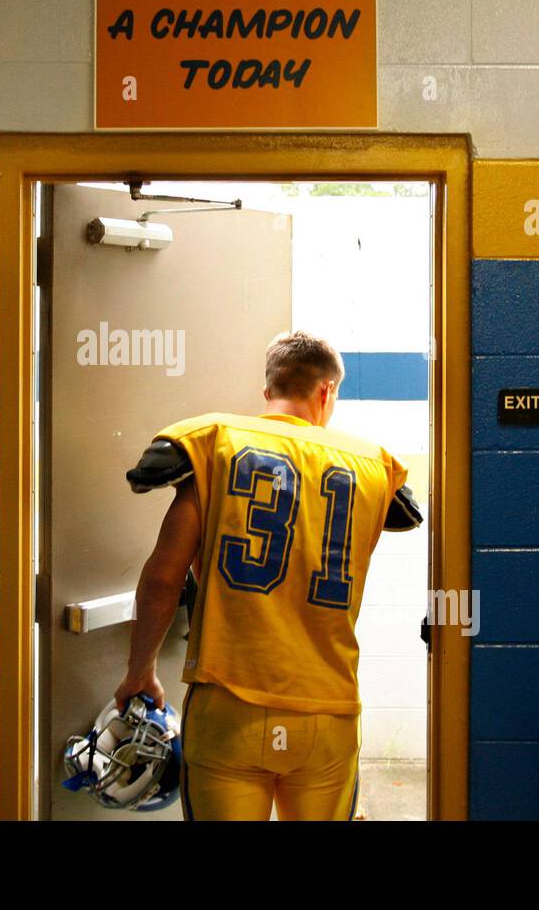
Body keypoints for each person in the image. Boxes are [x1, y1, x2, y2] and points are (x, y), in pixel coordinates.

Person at [115, 330, 422, 820]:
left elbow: (162, 579)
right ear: (328, 392)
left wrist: (139, 673)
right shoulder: (373, 467)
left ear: (268, 391)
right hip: (327, 710)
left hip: (228, 707)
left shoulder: (213, 443)